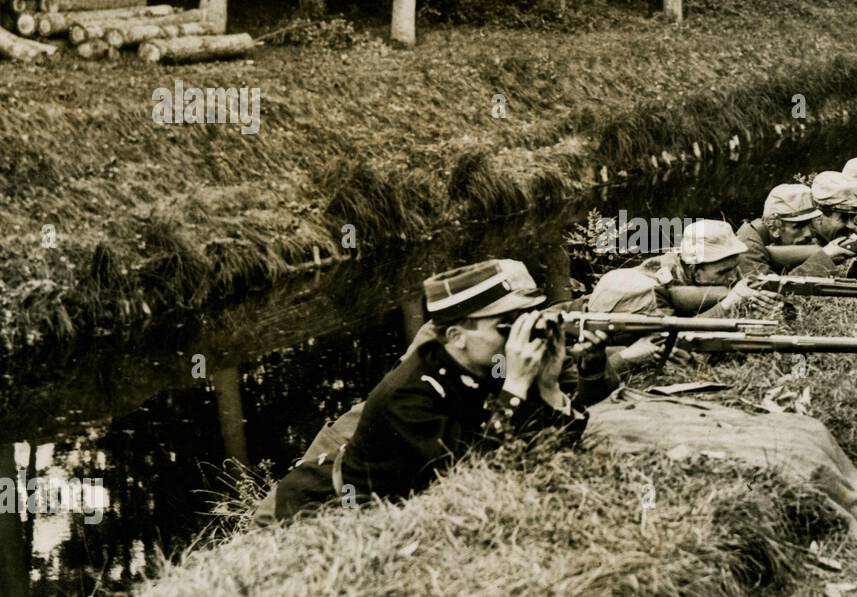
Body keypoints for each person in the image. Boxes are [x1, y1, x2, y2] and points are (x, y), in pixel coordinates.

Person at [256, 259, 612, 524]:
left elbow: (548, 446)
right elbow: (479, 474)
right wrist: (516, 387)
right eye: (507, 326)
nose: (519, 337)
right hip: (310, 508)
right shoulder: (408, 393)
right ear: (457, 337)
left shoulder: (485, 364)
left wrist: (548, 386)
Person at [587, 220, 782, 374]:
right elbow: (669, 341)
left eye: (734, 268)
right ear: (692, 269)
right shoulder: (652, 288)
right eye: (722, 273)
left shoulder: (696, 270)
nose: (732, 277)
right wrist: (727, 304)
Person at [736, 183, 857, 277]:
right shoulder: (746, 248)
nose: (808, 234)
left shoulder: (766, 239)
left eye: (809, 224)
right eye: (798, 226)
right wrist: (823, 258)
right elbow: (773, 292)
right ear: (774, 228)